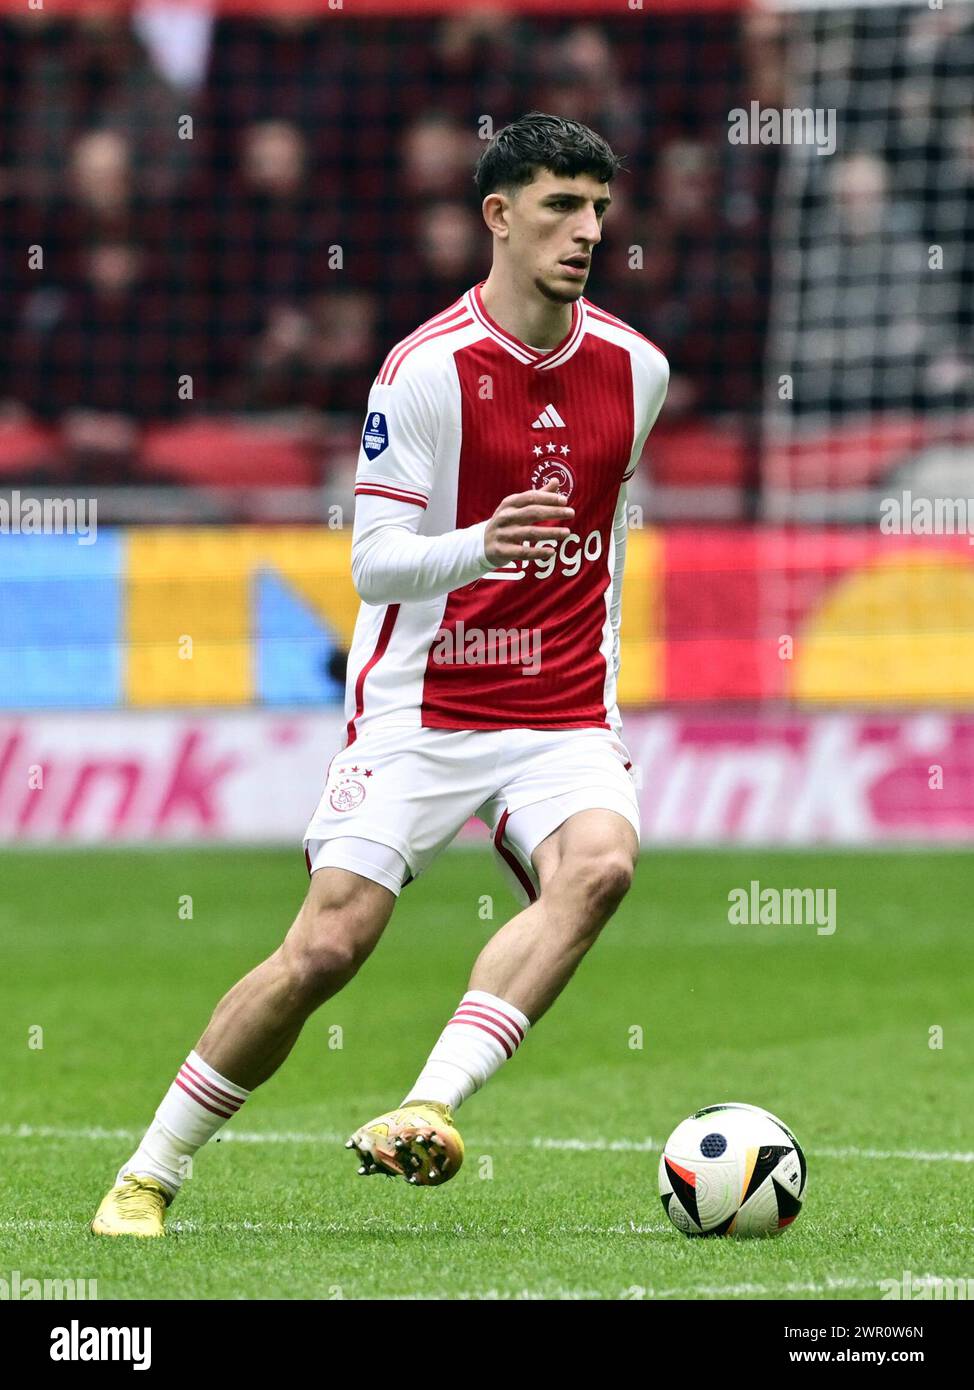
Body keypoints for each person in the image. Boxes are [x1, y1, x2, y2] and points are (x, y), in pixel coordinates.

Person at [91, 111, 668, 1236]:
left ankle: (425, 1106)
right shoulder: (424, 371)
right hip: (421, 705)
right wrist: (482, 544)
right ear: (497, 217)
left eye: (598, 207)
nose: (586, 229)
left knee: (598, 868)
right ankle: (149, 1172)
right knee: (326, 947)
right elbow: (371, 564)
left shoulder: (635, 371)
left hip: (557, 709)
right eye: (559, 206)